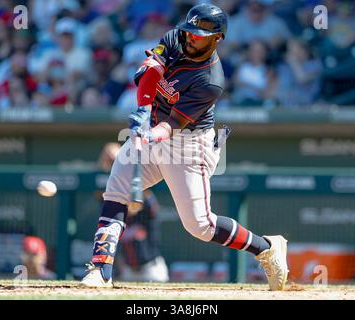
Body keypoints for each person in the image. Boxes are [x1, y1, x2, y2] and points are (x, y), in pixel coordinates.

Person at [81, 4, 288, 291]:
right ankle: (101, 269)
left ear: (217, 38)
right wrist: (142, 108)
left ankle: (266, 248)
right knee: (117, 188)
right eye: (191, 32)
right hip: (152, 128)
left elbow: (171, 126)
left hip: (188, 145)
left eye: (200, 35)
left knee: (200, 227)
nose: (191, 38)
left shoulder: (211, 81)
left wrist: (150, 135)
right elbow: (151, 70)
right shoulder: (176, 37)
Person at [97, 142, 169, 283]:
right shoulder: (109, 200)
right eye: (111, 162)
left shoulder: (144, 194)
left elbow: (136, 205)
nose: (112, 164)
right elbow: (104, 195)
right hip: (128, 270)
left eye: (115, 162)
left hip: (152, 269)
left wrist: (123, 164)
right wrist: (109, 167)